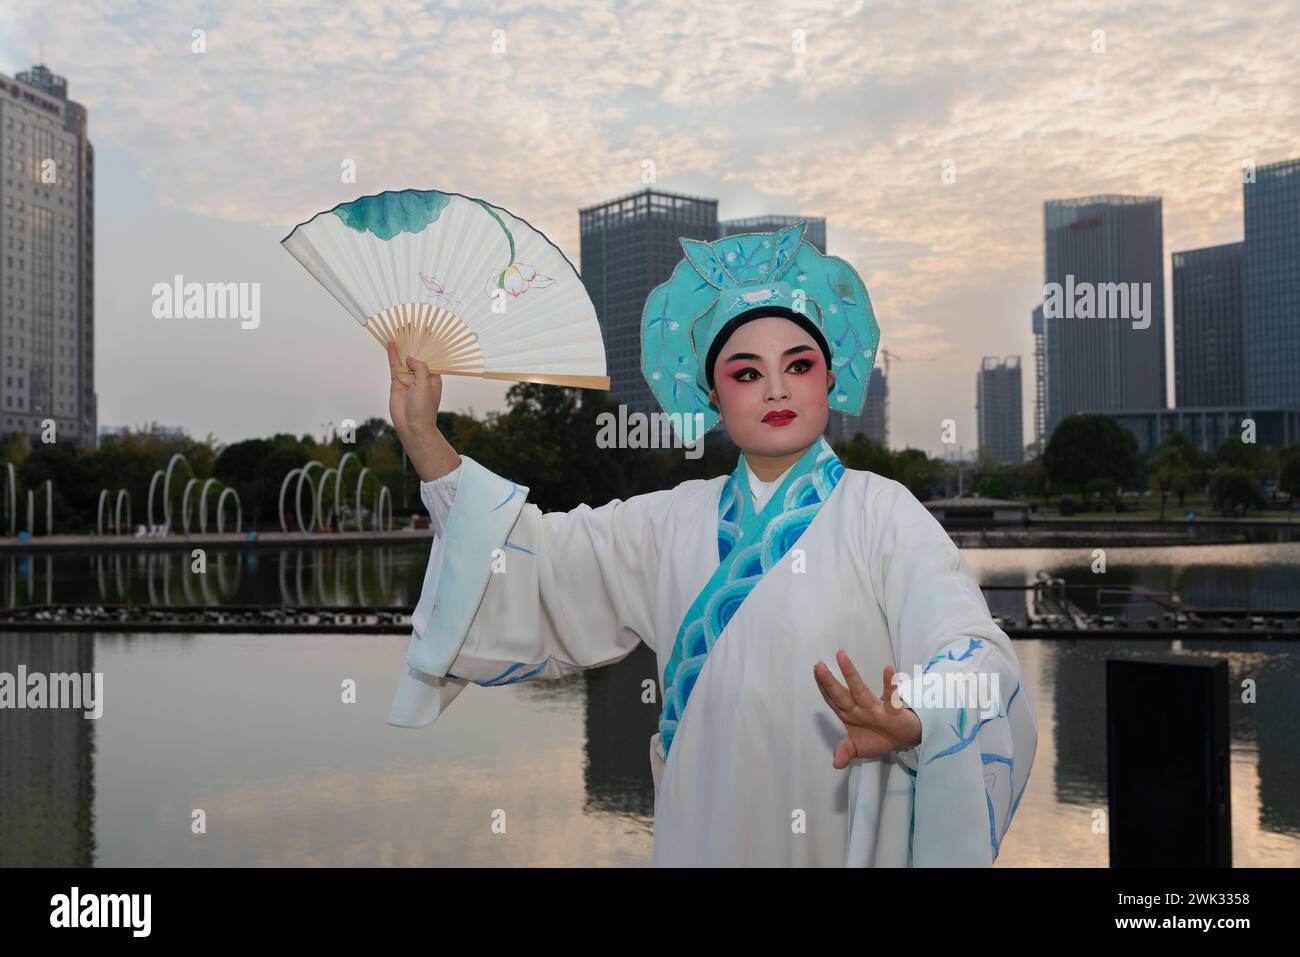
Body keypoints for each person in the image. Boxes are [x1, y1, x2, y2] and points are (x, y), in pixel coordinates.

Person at [385, 221, 1036, 866]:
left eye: (799, 365)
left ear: (830, 380)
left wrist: (918, 712)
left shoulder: (883, 514)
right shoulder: (669, 523)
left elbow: (973, 650)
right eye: (747, 372)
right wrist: (424, 440)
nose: (777, 388)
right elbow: (532, 563)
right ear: (713, 396)